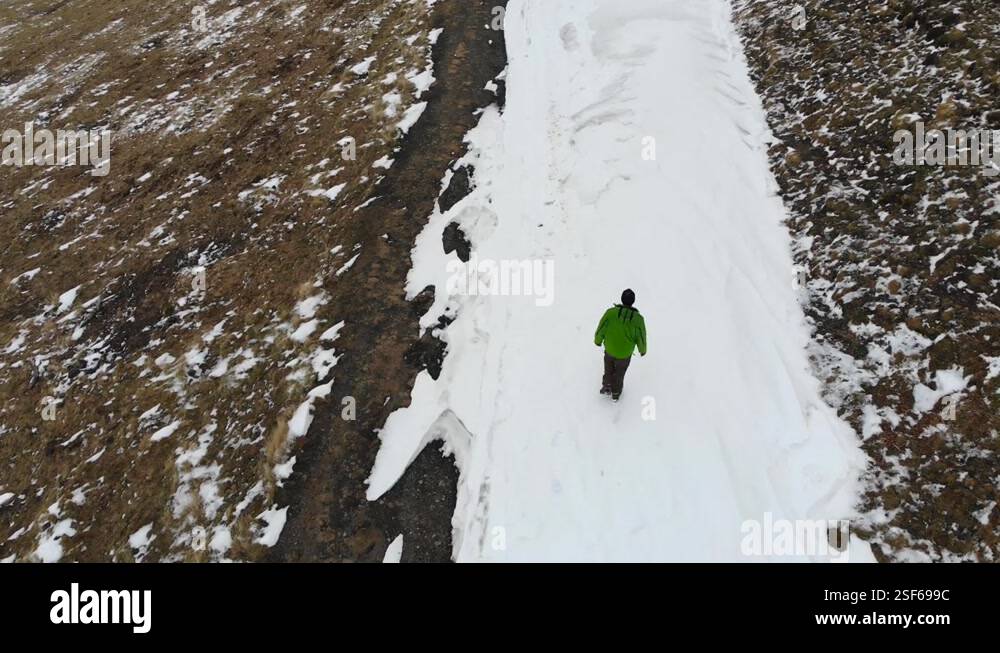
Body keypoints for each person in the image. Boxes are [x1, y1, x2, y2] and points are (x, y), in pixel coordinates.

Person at [594, 289, 647, 401]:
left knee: (608, 368)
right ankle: (616, 392)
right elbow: (641, 337)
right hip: (624, 354)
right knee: (619, 372)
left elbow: (602, 327)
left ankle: (607, 386)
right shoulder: (638, 320)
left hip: (610, 349)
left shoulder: (611, 313)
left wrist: (598, 340)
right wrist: (642, 350)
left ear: (622, 299)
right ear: (633, 301)